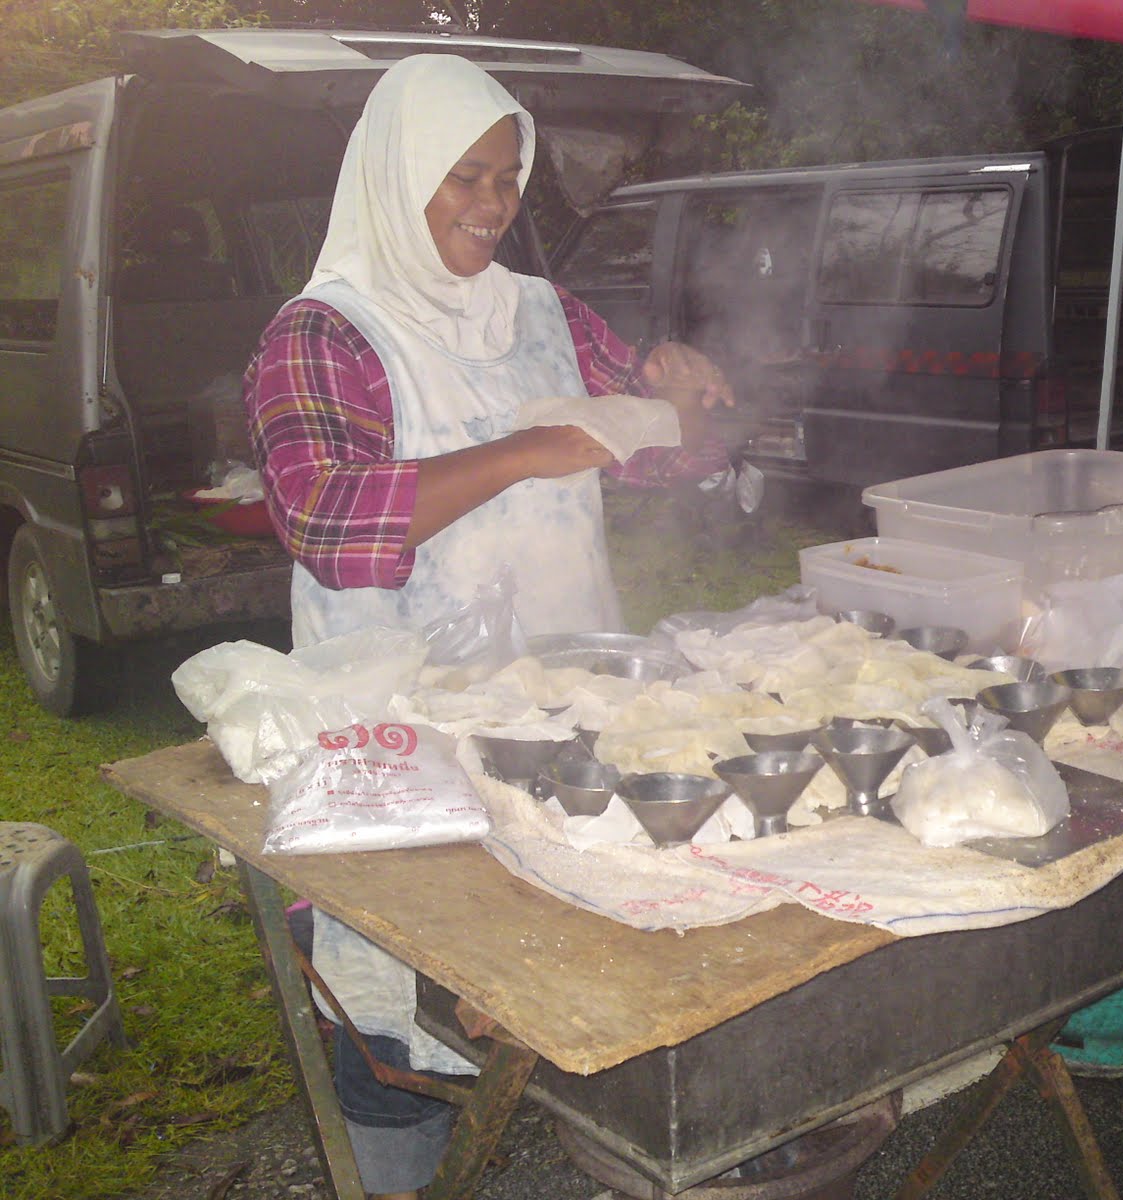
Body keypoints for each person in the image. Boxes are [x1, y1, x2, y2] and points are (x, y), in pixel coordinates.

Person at [242, 54, 733, 1199]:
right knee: (401, 1005)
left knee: (569, 964)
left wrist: (697, 400)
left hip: (566, 712)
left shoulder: (541, 311)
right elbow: (325, 518)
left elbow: (662, 448)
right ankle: (396, 1177)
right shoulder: (322, 334)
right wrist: (524, 452)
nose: (490, 204)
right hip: (403, 734)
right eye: (461, 176)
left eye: (507, 177)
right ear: (396, 174)